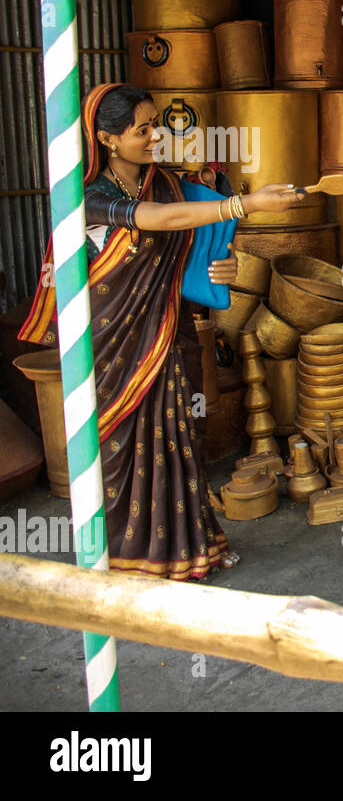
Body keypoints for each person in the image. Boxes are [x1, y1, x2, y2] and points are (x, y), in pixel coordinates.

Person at [19, 83, 303, 579]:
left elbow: (196, 242)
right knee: (123, 443)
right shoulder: (89, 198)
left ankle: (188, 547)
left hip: (168, 333)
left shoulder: (168, 183)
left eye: (156, 125)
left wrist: (224, 266)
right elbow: (158, 221)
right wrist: (246, 204)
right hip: (112, 346)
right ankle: (126, 554)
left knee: (176, 437)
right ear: (108, 138)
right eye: (143, 129)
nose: (156, 137)